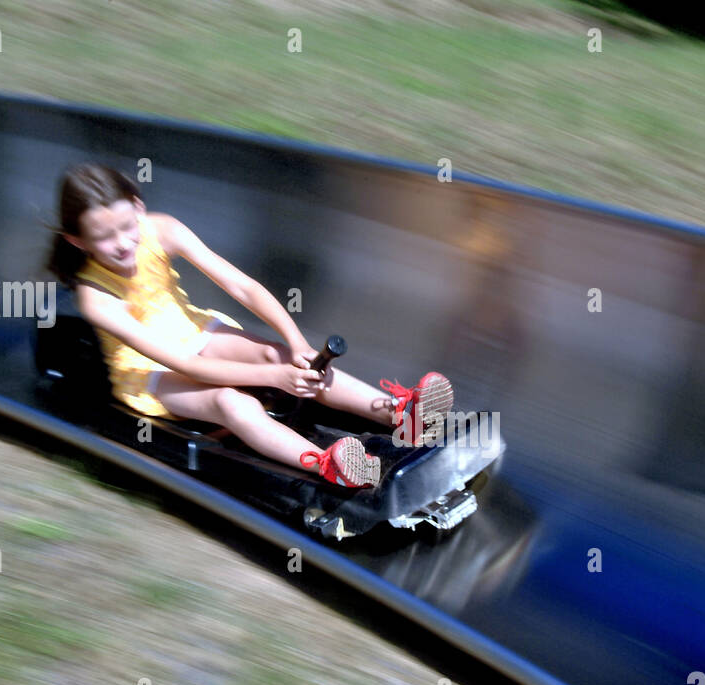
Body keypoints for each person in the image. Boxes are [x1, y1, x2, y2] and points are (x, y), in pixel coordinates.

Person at [44, 163, 453, 487]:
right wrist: (273, 377)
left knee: (281, 356)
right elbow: (188, 367)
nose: (122, 243)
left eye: (127, 226)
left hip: (198, 331)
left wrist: (295, 346)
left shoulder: (161, 229)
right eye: (103, 237)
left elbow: (240, 285)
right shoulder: (94, 298)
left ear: (137, 207)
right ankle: (325, 464)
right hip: (151, 373)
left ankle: (401, 413)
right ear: (77, 241)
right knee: (232, 403)